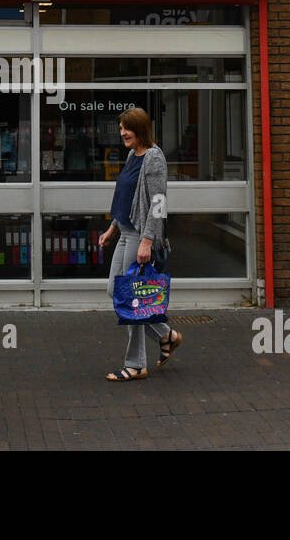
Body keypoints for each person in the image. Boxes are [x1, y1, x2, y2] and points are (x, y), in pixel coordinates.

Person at [97, 107, 182, 381]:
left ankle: (136, 365)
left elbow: (158, 204)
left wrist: (147, 240)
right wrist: (111, 228)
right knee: (116, 291)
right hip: (124, 232)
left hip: (138, 236)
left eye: (127, 128)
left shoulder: (153, 158)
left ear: (141, 129)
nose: (122, 132)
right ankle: (165, 334)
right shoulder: (133, 156)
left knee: (131, 298)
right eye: (121, 128)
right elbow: (125, 196)